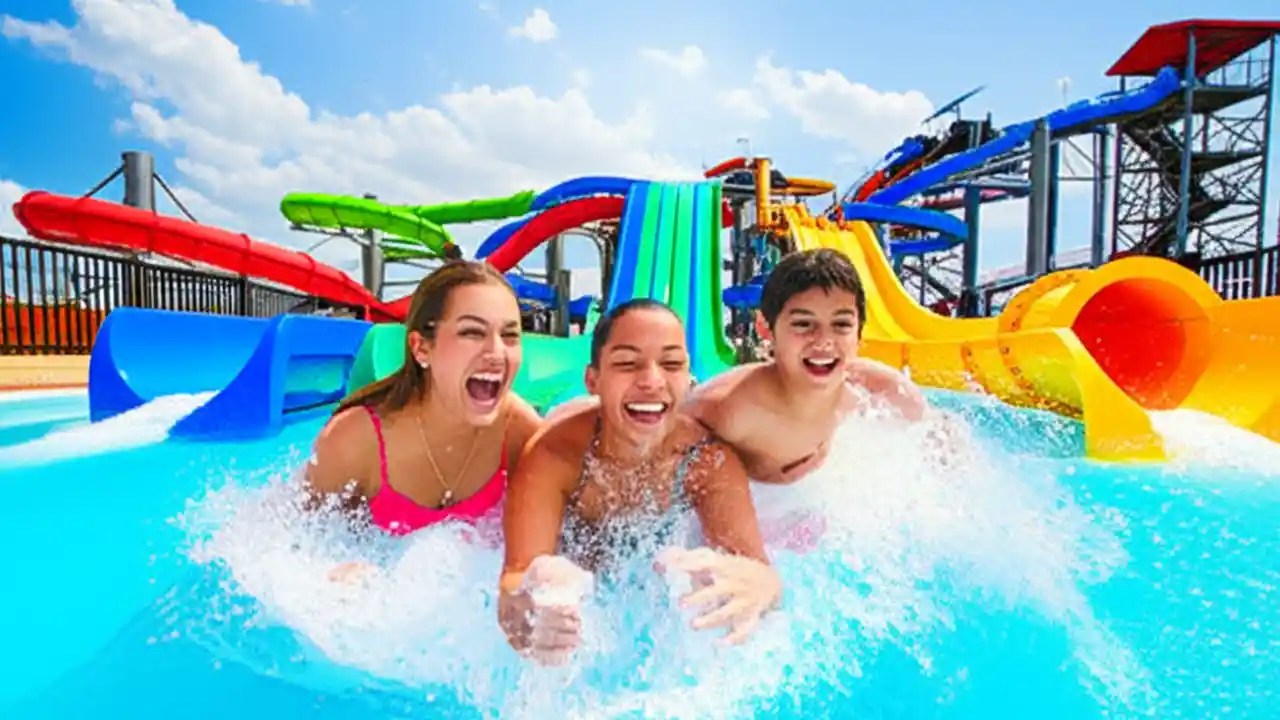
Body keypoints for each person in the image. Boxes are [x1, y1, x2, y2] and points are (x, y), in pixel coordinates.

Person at [496, 299, 783, 664]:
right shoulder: (556, 456)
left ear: (688, 378)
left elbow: (759, 570)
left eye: (672, 364)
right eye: (628, 364)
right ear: (593, 381)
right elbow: (516, 576)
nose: (651, 380)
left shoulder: (706, 460)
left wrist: (758, 585)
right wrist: (532, 613)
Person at [304, 260, 542, 540]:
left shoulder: (519, 434)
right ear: (421, 348)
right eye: (472, 332)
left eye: (510, 335)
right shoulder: (354, 441)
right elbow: (295, 545)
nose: (497, 352)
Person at [684, 248, 928, 486]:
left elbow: (940, 445)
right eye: (803, 324)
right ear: (765, 328)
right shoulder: (727, 409)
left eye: (841, 324)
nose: (823, 341)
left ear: (859, 332)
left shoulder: (884, 393)